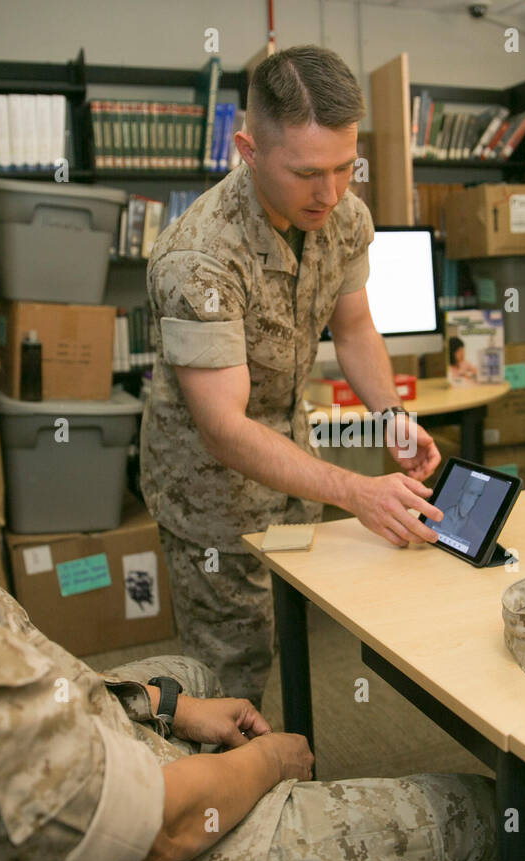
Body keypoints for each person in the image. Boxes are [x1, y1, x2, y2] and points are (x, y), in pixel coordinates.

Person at [0, 182, 496, 861]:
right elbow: (154, 831)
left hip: (87, 756)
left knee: (194, 683)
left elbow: (32, 688)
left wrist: (160, 708)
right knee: (483, 810)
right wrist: (273, 761)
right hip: (155, 827)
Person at [142, 45, 445, 708]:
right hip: (209, 490)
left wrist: (391, 416)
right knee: (232, 667)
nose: (330, 193)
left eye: (345, 167)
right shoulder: (198, 256)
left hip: (289, 461)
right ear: (249, 149)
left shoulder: (346, 218)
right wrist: (357, 492)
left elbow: (356, 327)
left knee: (291, 635)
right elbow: (222, 429)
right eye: (308, 172)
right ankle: (223, 802)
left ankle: (285, 765)